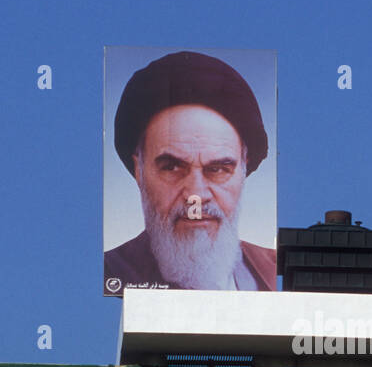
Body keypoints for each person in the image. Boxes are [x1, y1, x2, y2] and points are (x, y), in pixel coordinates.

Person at [105, 51, 276, 292]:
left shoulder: (276, 268)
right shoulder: (107, 275)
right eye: (172, 167)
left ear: (243, 168)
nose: (196, 195)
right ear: (139, 170)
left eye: (217, 169)